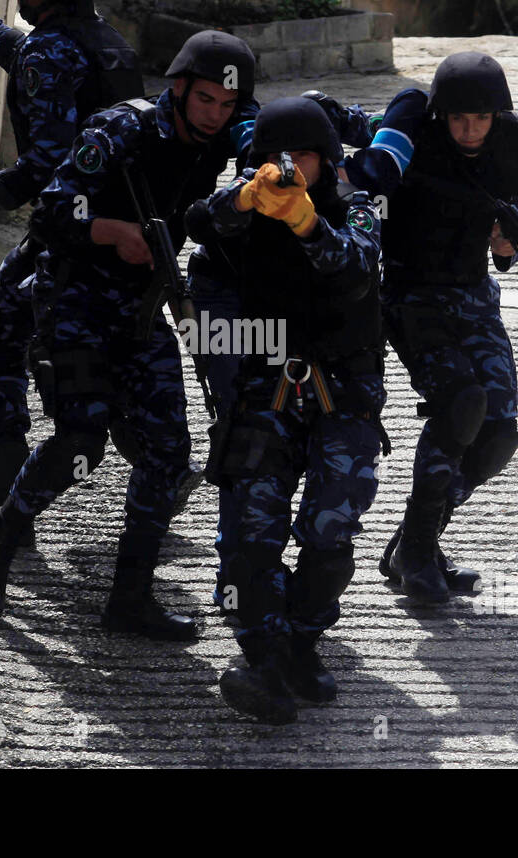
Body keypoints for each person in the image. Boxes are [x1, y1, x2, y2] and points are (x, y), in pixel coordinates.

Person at [0, 30, 258, 639]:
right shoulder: (121, 131)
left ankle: (130, 597)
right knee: (82, 438)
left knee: (169, 453)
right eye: (206, 101)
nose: (216, 115)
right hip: (75, 295)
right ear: (177, 88)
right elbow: (49, 209)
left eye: (226, 106)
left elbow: (264, 132)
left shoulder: (221, 136)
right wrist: (113, 231)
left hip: (140, 308)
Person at [0, 0, 200, 540]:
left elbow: (44, 167)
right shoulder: (106, 42)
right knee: (116, 354)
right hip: (126, 234)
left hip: (71, 234)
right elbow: (25, 55)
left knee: (0, 351)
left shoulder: (49, 53)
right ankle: (162, 465)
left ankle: (4, 513)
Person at [189, 97, 385, 724]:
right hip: (265, 389)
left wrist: (306, 223)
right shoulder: (248, 208)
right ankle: (265, 657)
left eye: (304, 156)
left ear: (327, 162)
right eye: (279, 158)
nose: (291, 168)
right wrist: (245, 199)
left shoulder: (356, 207)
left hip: (343, 393)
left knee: (331, 529)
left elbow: (354, 266)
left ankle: (302, 642)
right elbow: (196, 221)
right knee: (248, 535)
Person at [344, 52, 518, 605]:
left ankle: (414, 543)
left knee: (498, 433)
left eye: (481, 118)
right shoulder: (411, 131)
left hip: (473, 291)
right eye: (458, 119)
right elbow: (345, 125)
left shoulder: (514, 140)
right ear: (440, 115)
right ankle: (420, 556)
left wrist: (509, 242)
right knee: (460, 403)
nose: (470, 130)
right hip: (408, 295)